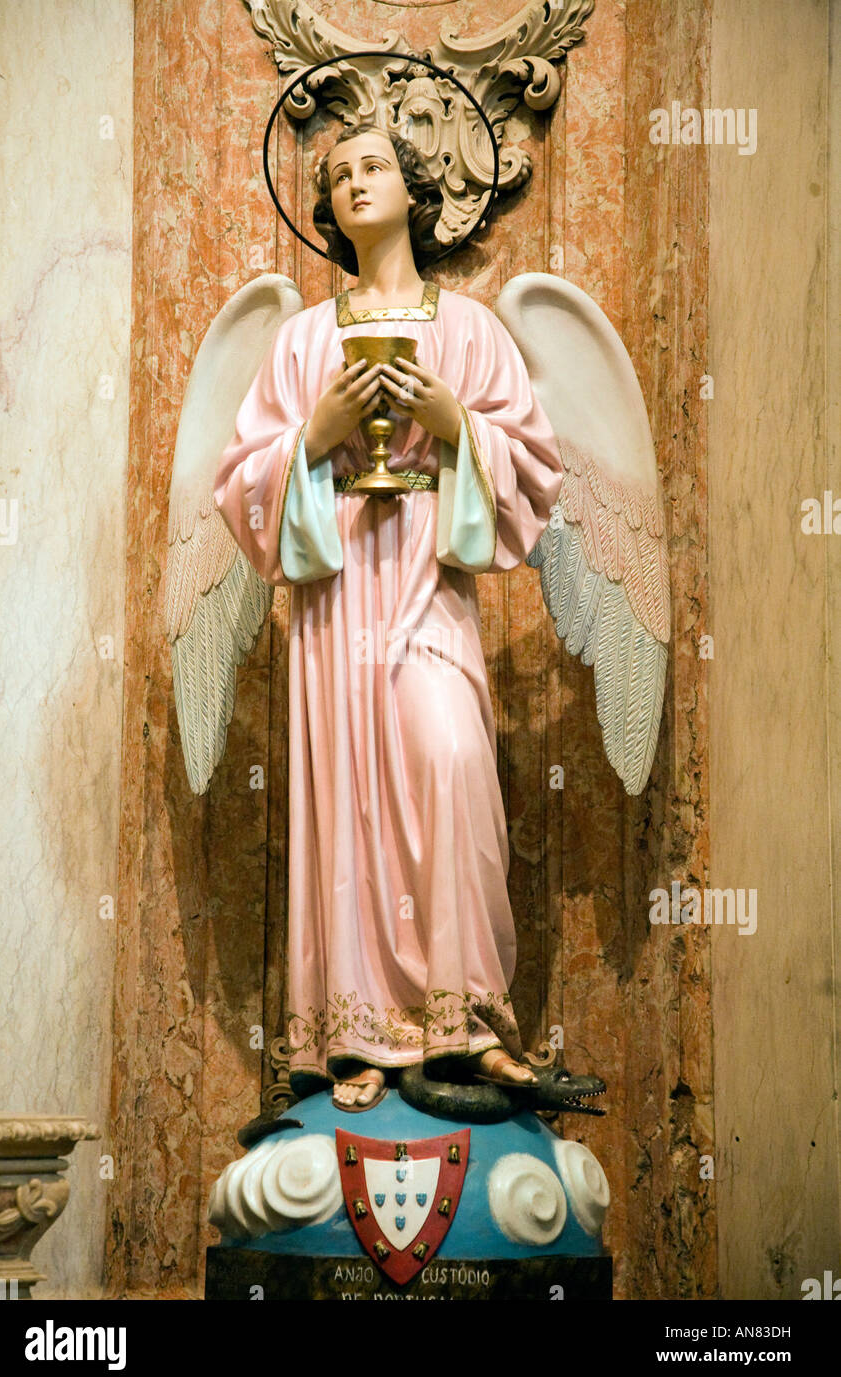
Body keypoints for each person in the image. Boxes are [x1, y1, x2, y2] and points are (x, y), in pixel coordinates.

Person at [213, 123, 563, 1111]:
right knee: (349, 793)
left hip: (424, 580)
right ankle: (356, 1029)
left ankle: (473, 1020)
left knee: (451, 758)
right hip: (337, 595)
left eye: (372, 165)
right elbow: (239, 483)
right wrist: (313, 438)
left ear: (410, 191)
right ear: (325, 208)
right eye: (336, 174)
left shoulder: (470, 329)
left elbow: (532, 464)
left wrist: (454, 425)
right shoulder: (300, 342)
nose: (355, 181)